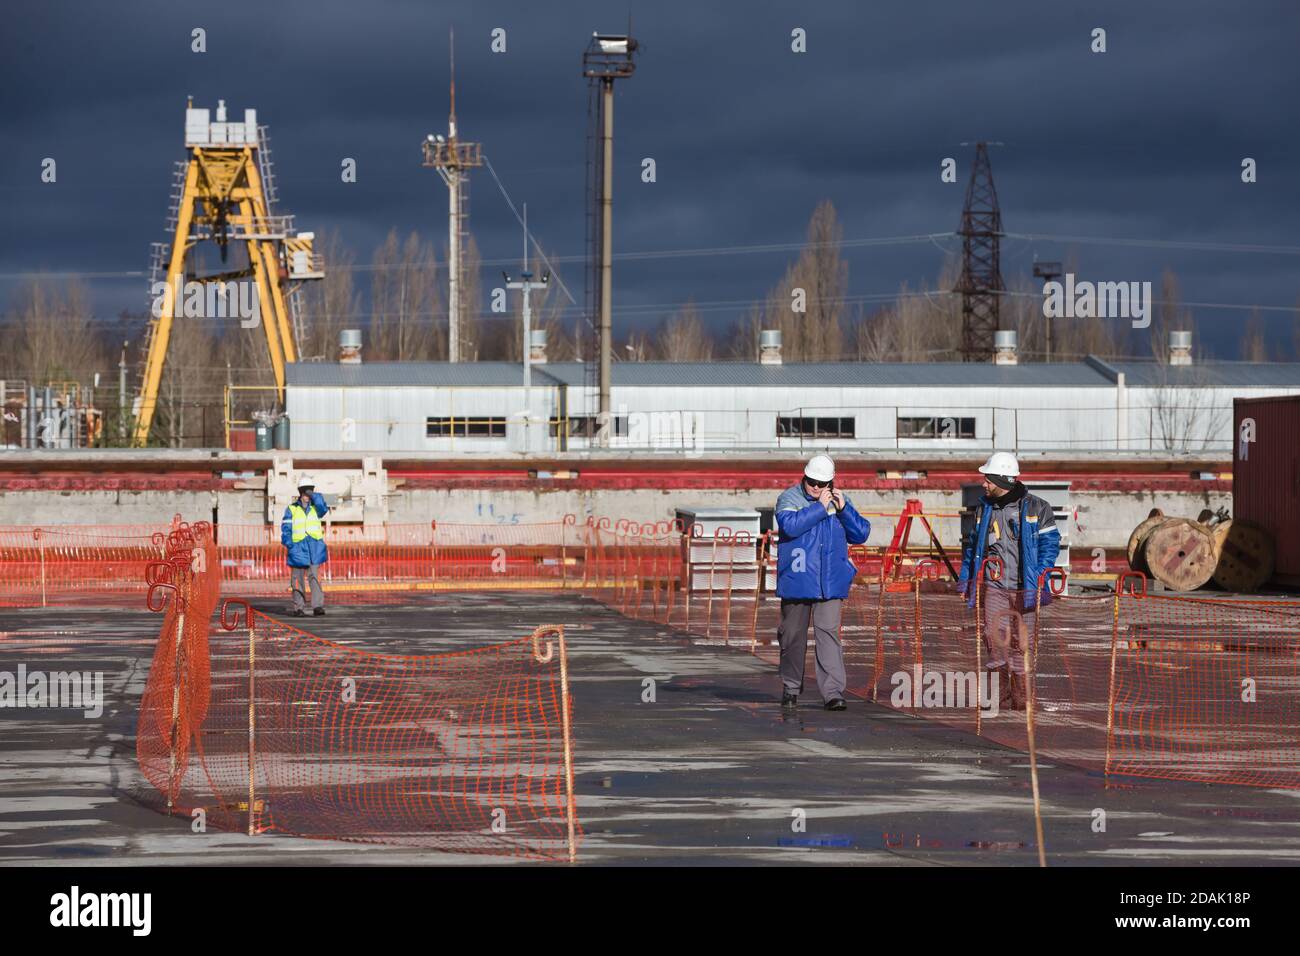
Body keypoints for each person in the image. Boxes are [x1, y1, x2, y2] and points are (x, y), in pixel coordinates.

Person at [956, 452, 1060, 710]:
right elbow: (972, 549)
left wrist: (1040, 573)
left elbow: (1050, 543)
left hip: (1026, 588)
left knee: (1022, 645)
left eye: (988, 479)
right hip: (995, 588)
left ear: (1001, 480)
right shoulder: (984, 509)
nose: (984, 484)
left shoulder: (1037, 507)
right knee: (994, 639)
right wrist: (966, 581)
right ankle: (997, 696)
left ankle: (1022, 699)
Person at [774, 454, 871, 711]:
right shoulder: (789, 499)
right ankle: (791, 687)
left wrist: (844, 510)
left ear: (831, 482)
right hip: (798, 580)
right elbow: (790, 526)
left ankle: (833, 693)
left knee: (828, 634)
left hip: (830, 582)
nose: (816, 488)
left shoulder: (840, 501)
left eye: (822, 483)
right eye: (812, 482)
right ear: (804, 478)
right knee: (792, 636)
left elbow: (861, 533)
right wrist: (819, 508)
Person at [281, 478, 330, 617]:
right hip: (297, 548)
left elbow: (323, 506)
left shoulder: (316, 508)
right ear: (301, 492)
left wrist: (314, 495)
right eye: (307, 491)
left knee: (315, 578)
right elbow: (286, 528)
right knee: (297, 580)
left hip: (314, 548)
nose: (309, 495)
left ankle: (318, 607)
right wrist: (290, 545)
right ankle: (299, 608)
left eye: (311, 491)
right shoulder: (292, 509)